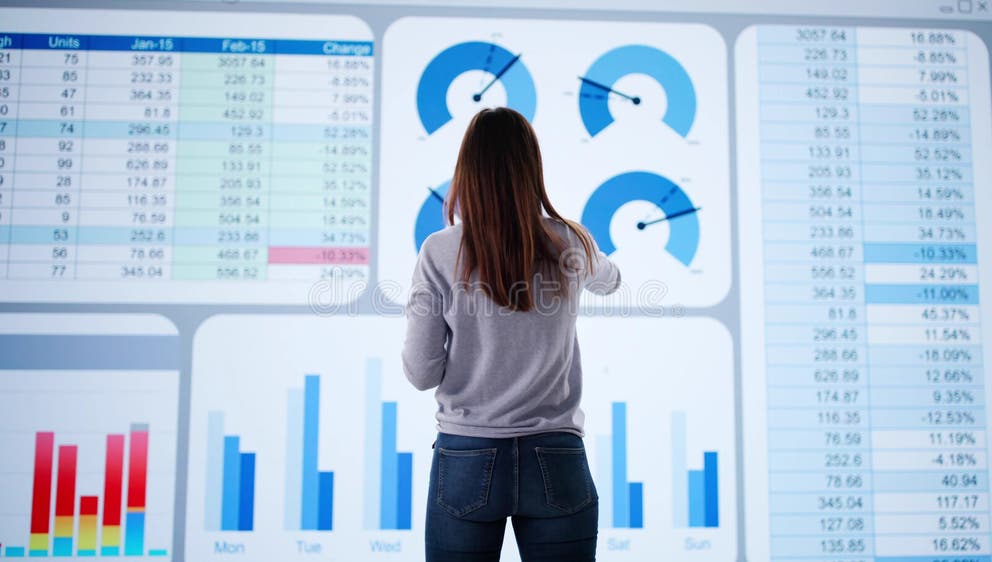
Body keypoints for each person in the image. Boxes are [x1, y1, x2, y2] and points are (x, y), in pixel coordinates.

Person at [401, 107, 621, 562]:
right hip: (556, 458)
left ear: (468, 173)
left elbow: (421, 373)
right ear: (531, 170)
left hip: (466, 457)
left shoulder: (440, 251)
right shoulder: (570, 243)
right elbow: (611, 279)